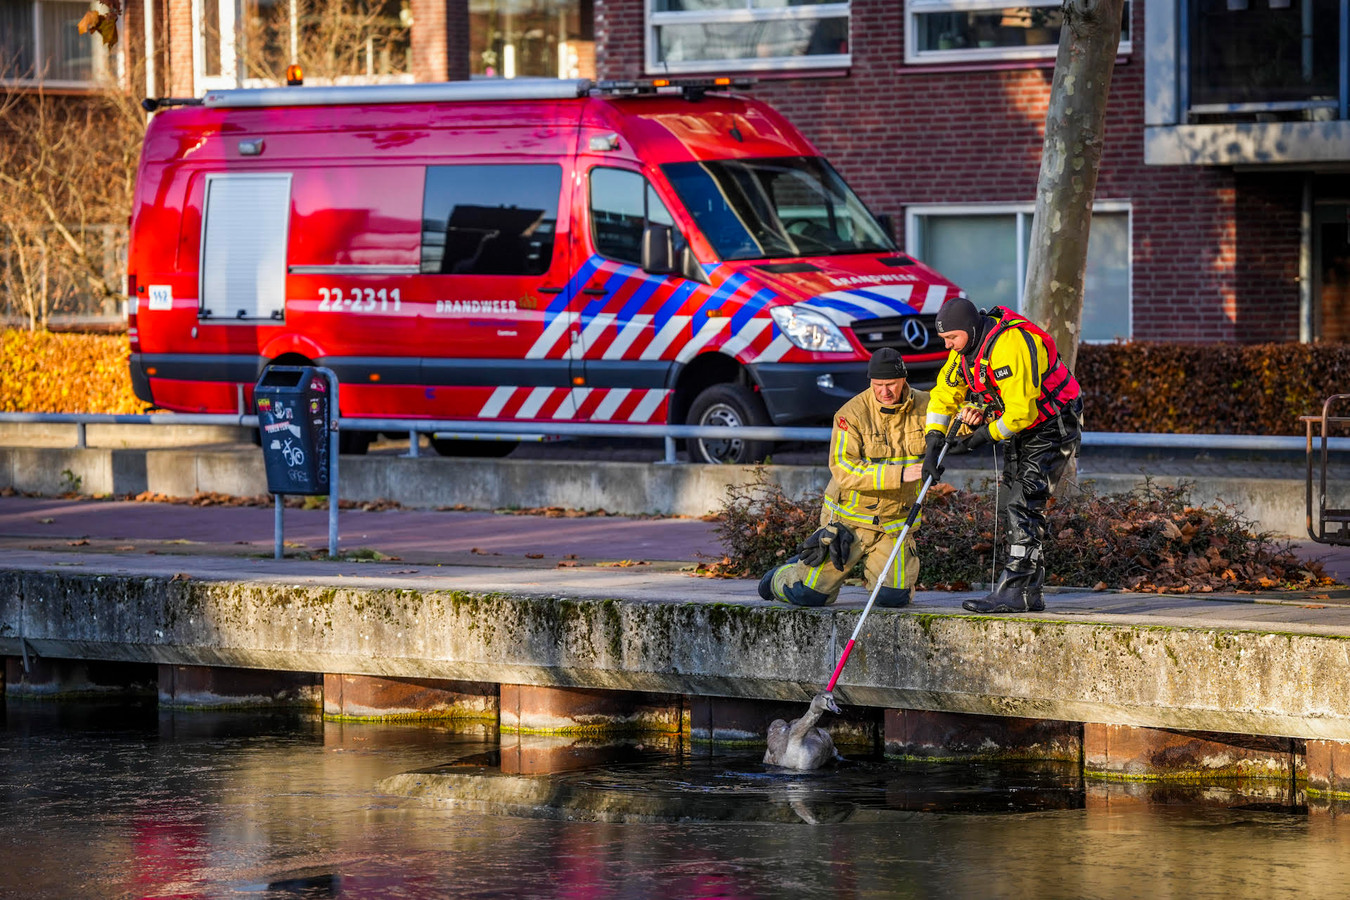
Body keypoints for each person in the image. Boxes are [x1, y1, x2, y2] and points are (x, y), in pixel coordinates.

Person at [921, 297, 1082, 614]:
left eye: (952, 338)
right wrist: (933, 441)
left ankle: (1013, 592)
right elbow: (944, 393)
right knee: (1013, 499)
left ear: (969, 328)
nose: (949, 346)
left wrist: (976, 439)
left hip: (1053, 422)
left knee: (1024, 501)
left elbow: (1022, 411)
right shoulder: (964, 352)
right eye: (945, 340)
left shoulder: (1008, 345)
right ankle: (1029, 591)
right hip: (1023, 426)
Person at [759, 347, 928, 608]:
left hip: (893, 525)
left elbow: (954, 425)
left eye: (891, 384)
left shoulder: (927, 406)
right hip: (847, 523)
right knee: (809, 595)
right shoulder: (851, 415)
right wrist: (902, 474)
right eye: (878, 384)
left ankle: (875, 572)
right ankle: (783, 576)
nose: (884, 392)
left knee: (893, 598)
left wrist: (971, 420)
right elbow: (844, 469)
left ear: (904, 379)